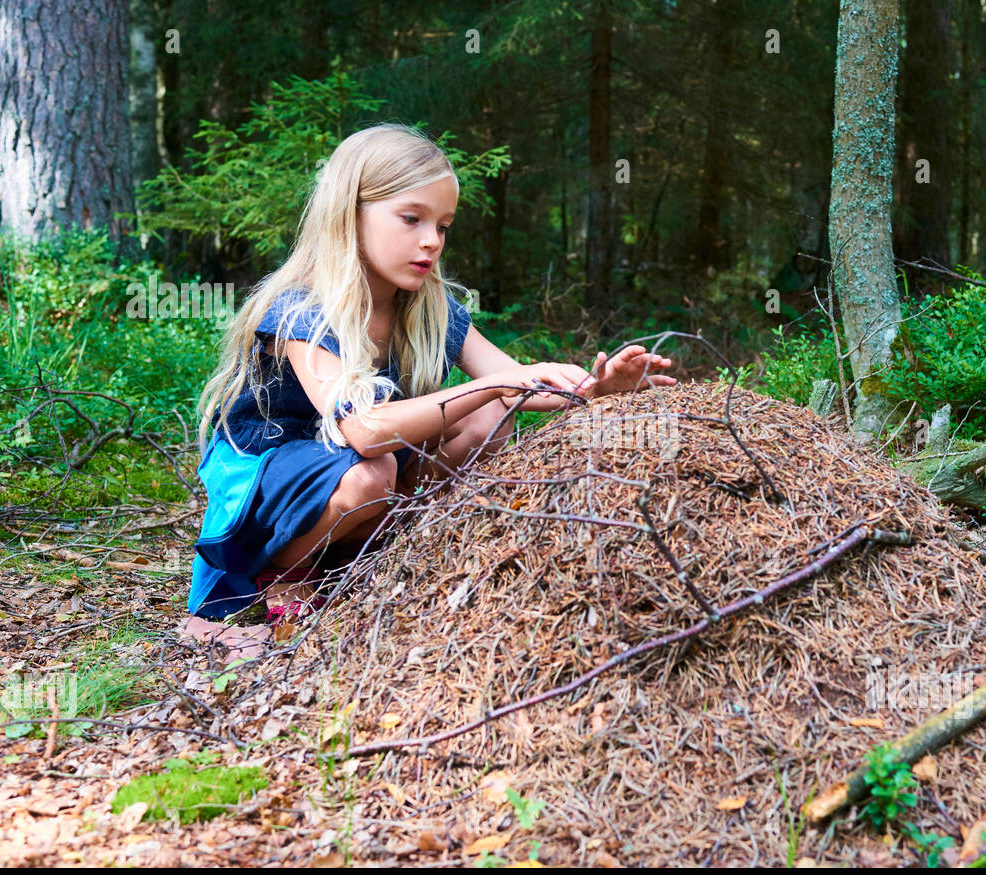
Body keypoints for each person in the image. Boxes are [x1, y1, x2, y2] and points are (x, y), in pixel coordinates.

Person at [187, 123, 676, 624]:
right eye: (411, 219)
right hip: (272, 470)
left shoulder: (427, 306)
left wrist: (598, 390)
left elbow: (517, 380)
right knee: (370, 473)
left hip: (354, 468)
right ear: (349, 214)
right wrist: (492, 386)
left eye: (442, 226)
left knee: (490, 416)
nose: (431, 242)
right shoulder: (302, 310)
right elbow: (363, 428)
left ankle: (384, 547)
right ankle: (280, 575)